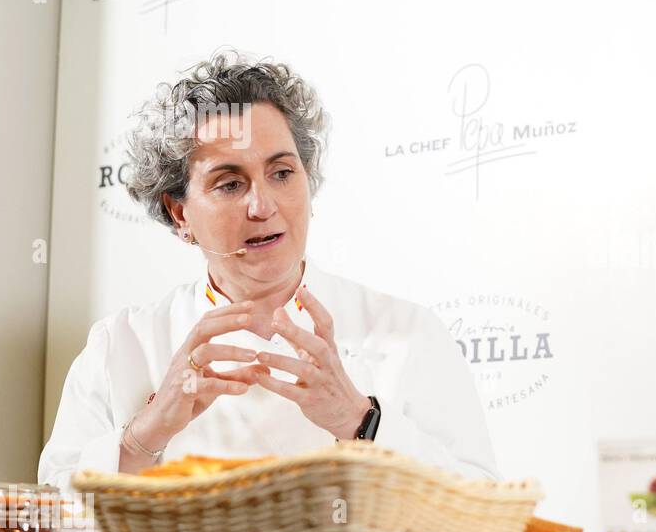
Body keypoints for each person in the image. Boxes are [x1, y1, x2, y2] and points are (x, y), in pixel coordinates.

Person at [39, 50, 498, 492]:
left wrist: (360, 421)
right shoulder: (122, 346)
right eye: (230, 184)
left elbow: (484, 515)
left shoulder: (407, 334)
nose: (263, 206)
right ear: (179, 214)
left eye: (281, 173)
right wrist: (148, 433)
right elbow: (49, 530)